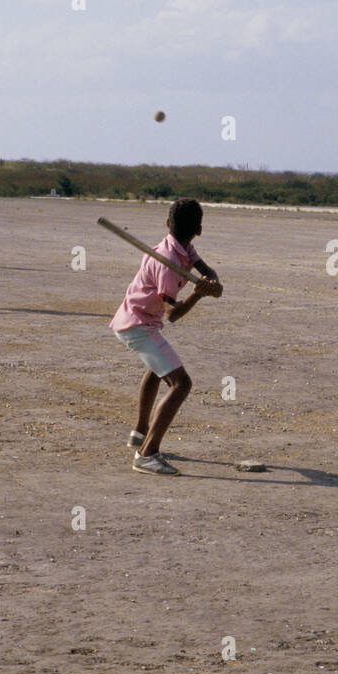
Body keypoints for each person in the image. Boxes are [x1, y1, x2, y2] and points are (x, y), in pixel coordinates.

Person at [110, 198, 222, 476]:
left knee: (156, 370)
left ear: (168, 223)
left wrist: (212, 281)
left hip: (140, 320)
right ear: (199, 229)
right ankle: (147, 454)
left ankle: (139, 433)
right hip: (137, 325)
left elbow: (205, 269)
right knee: (181, 384)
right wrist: (198, 293)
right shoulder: (168, 262)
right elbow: (173, 314)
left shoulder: (182, 247)